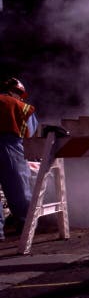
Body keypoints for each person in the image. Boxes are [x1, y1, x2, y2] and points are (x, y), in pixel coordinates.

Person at [0, 77, 38, 241]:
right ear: (18, 93)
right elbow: (31, 130)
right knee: (19, 189)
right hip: (10, 147)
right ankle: (26, 226)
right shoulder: (21, 106)